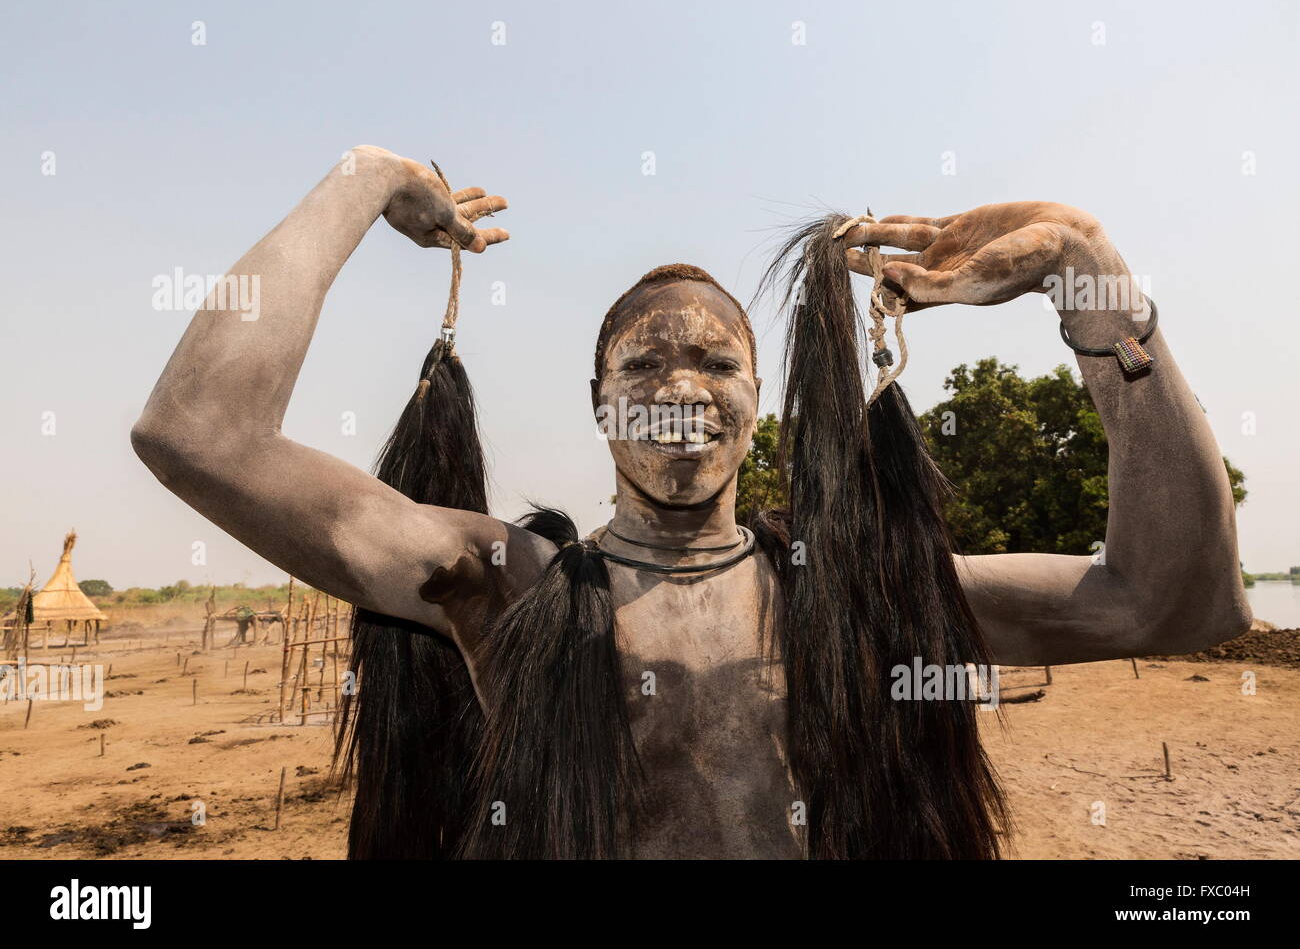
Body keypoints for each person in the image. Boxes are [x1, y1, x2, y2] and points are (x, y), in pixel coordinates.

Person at [132, 145, 1251, 858]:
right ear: (597, 402)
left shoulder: (847, 594)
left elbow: (1171, 598)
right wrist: (365, 177)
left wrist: (1086, 272)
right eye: (643, 363)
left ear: (756, 403)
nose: (679, 385)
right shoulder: (502, 583)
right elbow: (198, 432)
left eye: (716, 364)